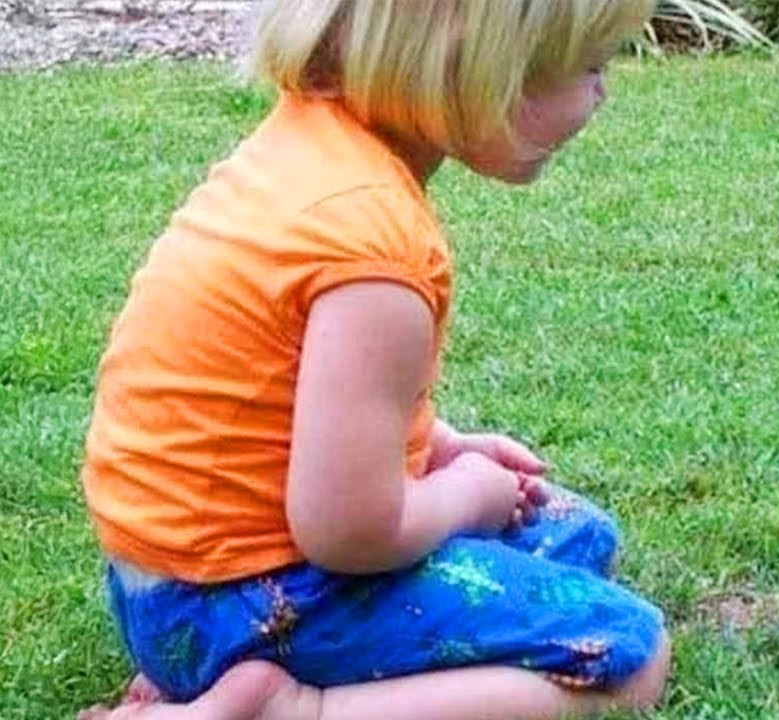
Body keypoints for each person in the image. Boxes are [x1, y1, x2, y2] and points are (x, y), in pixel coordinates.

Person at [78, 2, 669, 718]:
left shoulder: (307, 153)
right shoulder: (374, 252)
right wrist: (466, 495)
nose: (599, 93)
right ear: (474, 60)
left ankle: (208, 674)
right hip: (247, 599)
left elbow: (275, 400)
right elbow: (350, 534)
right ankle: (292, 705)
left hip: (166, 583)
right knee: (627, 652)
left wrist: (440, 449)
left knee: (579, 534)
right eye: (590, 66)